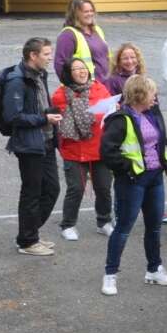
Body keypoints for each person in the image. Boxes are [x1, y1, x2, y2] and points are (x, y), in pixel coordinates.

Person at [98, 74, 167, 295]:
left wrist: (163, 162)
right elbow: (107, 152)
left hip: (155, 178)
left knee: (154, 227)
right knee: (123, 229)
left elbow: (162, 139)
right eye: (152, 93)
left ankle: (154, 269)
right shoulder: (120, 119)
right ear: (140, 94)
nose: (155, 97)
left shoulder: (153, 113)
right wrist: (129, 168)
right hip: (132, 182)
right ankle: (110, 275)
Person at [2, 38, 62, 257]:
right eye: (46, 54)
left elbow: (39, 105)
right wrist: (44, 118)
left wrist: (50, 113)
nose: (50, 58)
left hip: (46, 141)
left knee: (52, 189)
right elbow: (13, 116)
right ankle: (27, 241)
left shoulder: (40, 75)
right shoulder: (17, 81)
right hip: (29, 145)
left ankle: (29, 233)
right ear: (33, 55)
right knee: (32, 192)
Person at [51, 56, 113, 243]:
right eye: (76, 69)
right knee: (76, 189)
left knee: (104, 187)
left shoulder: (100, 88)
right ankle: (68, 225)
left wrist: (113, 108)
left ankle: (104, 221)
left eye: (83, 67)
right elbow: (60, 122)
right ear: (68, 74)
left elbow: (109, 112)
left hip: (99, 148)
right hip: (74, 150)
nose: (82, 71)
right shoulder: (60, 95)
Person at [54, 0, 109, 85]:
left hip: (103, 85)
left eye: (91, 11)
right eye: (86, 11)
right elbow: (60, 65)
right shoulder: (68, 35)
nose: (90, 14)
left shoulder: (97, 30)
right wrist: (73, 87)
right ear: (75, 14)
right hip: (85, 87)